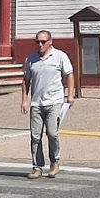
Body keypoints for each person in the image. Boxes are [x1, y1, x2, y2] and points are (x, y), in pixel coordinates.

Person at [21, 30, 74, 179]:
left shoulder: (60, 56)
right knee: (35, 136)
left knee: (52, 133)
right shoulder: (31, 59)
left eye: (43, 42)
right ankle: (37, 167)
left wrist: (70, 95)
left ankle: (55, 162)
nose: (40, 44)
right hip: (36, 103)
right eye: (37, 41)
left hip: (54, 101)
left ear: (50, 42)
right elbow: (26, 80)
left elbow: (69, 74)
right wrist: (24, 100)